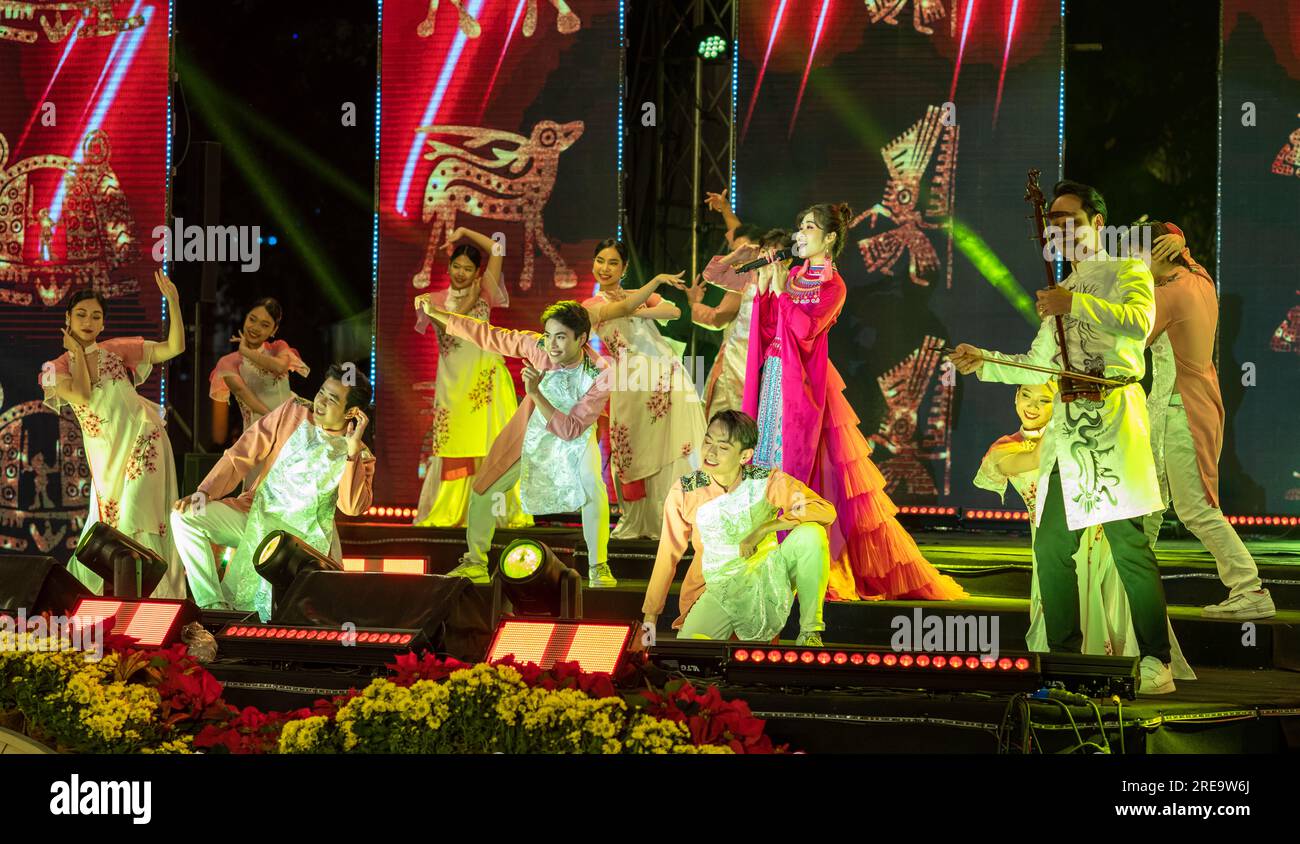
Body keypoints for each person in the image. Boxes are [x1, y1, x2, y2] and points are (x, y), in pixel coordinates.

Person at [950, 180, 1177, 694]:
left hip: (1115, 416)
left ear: (1097, 223)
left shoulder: (1127, 271)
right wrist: (981, 362)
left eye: (1068, 218)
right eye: (1052, 220)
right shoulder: (1065, 286)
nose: (1058, 227)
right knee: (1052, 547)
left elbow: (1138, 324)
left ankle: (1155, 663)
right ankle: (1066, 662)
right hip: (1070, 431)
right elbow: (1037, 363)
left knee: (1128, 546)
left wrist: (1071, 304)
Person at [743, 202, 965, 604]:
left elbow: (806, 330)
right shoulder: (791, 274)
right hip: (777, 380)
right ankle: (772, 551)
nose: (801, 233)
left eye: (809, 227)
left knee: (815, 468)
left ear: (829, 238)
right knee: (769, 461)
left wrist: (781, 294)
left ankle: (813, 556)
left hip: (806, 386)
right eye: (800, 225)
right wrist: (764, 293)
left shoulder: (833, 285)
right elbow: (773, 328)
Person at [420, 297, 651, 587]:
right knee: (483, 491)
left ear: (582, 338)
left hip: (574, 440)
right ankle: (476, 562)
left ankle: (598, 566)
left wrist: (535, 392)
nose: (552, 345)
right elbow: (490, 335)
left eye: (561, 338)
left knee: (593, 488)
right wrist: (438, 313)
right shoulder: (539, 348)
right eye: (548, 336)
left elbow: (571, 429)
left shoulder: (600, 373)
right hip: (531, 433)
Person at [976, 382, 1193, 678]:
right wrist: (1062, 422)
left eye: (1044, 400)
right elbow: (1034, 460)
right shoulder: (1005, 446)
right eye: (1026, 395)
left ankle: (1152, 666)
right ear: (1015, 397)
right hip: (1058, 543)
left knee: (1119, 600)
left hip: (1101, 540)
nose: (1033, 406)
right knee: (1058, 598)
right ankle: (1067, 666)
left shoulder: (1085, 435)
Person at [1139, 223, 1274, 620]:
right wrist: (1178, 242)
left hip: (1180, 411)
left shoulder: (1169, 294)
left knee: (1195, 509)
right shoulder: (1199, 278)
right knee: (1149, 507)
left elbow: (1127, 338)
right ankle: (1131, 585)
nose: (1134, 263)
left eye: (1139, 254)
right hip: (1180, 408)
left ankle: (1249, 588)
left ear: (1160, 253)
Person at [171, 365, 376, 619]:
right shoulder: (294, 411)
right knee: (185, 516)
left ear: (352, 412)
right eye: (321, 392)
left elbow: (352, 506)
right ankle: (212, 608)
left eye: (332, 399)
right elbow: (242, 452)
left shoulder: (361, 455)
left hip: (302, 545)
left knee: (271, 609)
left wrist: (351, 451)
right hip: (254, 518)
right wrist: (205, 492)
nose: (320, 402)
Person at [41, 273, 188, 598]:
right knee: (110, 525)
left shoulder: (115, 350)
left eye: (96, 316)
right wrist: (77, 354)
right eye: (81, 314)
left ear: (104, 323)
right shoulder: (54, 368)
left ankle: (157, 603)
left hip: (143, 440)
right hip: (106, 458)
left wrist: (174, 302)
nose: (88, 321)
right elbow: (80, 394)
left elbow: (175, 346)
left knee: (140, 517)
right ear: (67, 318)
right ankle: (94, 603)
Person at [642, 411, 834, 646]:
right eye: (707, 442)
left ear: (745, 456)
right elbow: (667, 555)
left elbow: (823, 509)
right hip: (715, 588)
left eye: (722, 447)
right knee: (693, 655)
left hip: (765, 580)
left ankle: (809, 633)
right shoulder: (685, 490)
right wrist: (649, 623)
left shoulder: (766, 482)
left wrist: (765, 528)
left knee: (811, 534)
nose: (710, 453)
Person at [582, 239, 708, 540]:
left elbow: (673, 312)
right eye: (600, 260)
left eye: (613, 263)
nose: (605, 268)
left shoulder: (636, 296)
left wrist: (642, 306)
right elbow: (624, 307)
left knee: (677, 445)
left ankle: (675, 516)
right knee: (633, 451)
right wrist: (654, 285)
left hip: (666, 374)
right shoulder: (591, 306)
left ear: (624, 268)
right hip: (630, 381)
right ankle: (639, 518)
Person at [411, 227, 529, 530]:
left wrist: (463, 230)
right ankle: (453, 510)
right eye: (457, 266)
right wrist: (470, 298)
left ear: (478, 271)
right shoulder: (432, 299)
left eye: (468, 268)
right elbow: (451, 325)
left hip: (485, 381)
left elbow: (498, 249)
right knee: (455, 445)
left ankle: (500, 511)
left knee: (493, 443)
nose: (461, 273)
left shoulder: (485, 289)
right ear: (448, 267)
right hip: (452, 384)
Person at [689, 228, 791, 419]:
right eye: (764, 250)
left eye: (773, 253)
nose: (767, 256)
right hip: (733, 359)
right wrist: (736, 255)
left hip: (764, 366)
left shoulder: (789, 286)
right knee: (717, 417)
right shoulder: (748, 278)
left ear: (787, 259)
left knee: (752, 421)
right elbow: (711, 274)